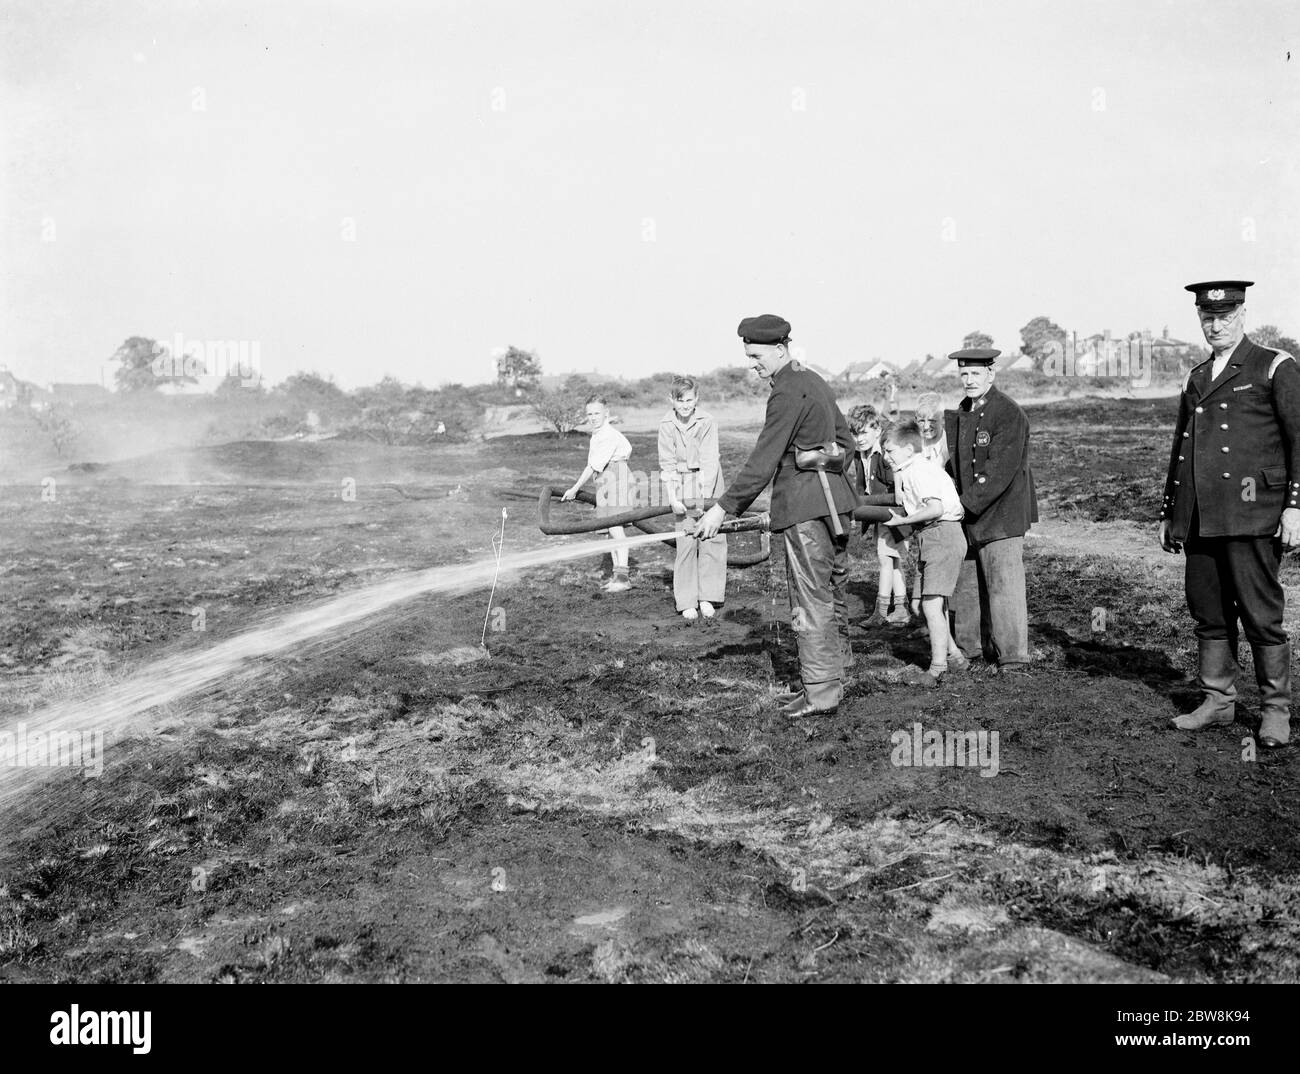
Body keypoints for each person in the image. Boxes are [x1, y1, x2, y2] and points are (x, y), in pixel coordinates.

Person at [1159, 280, 1300, 748]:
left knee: (1261, 615)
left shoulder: (1274, 365)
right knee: (1210, 614)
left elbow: (1299, 441)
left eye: (1224, 315)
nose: (1215, 324)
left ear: (1242, 315)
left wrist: (1294, 507)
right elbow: (1182, 449)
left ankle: (1275, 710)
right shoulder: (1196, 376)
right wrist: (1171, 514)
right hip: (1202, 518)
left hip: (1253, 514)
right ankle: (1218, 700)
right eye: (1207, 316)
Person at [696, 314, 858, 717]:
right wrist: (819, 463)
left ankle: (821, 692)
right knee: (833, 591)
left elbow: (763, 460)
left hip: (804, 512)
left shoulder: (786, 391)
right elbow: (847, 444)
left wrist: (722, 508)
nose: (752, 364)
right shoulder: (814, 380)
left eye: (756, 355)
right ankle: (837, 677)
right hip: (836, 506)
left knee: (810, 598)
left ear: (780, 349)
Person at [943, 348, 1037, 673]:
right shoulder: (963, 411)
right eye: (964, 374)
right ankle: (974, 653)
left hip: (1001, 515)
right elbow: (956, 465)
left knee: (1003, 587)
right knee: (969, 588)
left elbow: (998, 472)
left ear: (991, 374)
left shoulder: (1008, 413)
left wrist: (959, 505)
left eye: (975, 374)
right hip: (970, 515)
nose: (969, 380)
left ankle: (1013, 660)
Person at [881, 421, 968, 679]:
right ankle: (956, 657)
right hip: (930, 536)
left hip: (942, 533)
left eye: (890, 451)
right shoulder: (909, 471)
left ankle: (937, 669)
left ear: (908, 449)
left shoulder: (919, 471)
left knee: (931, 605)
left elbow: (935, 509)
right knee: (921, 605)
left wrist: (904, 521)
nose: (886, 458)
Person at [658, 376, 727, 620]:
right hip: (682, 482)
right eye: (680, 400)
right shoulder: (666, 424)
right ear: (672, 400)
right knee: (686, 539)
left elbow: (709, 459)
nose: (685, 405)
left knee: (711, 537)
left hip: (709, 480)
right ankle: (687, 599)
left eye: (689, 400)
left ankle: (707, 596)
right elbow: (667, 464)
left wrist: (706, 503)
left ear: (696, 399)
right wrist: (673, 497)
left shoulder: (707, 421)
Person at [562, 395, 635, 592]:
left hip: (616, 477)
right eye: (590, 414)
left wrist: (574, 489)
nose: (593, 417)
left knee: (616, 528)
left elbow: (593, 466)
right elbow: (594, 466)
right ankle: (616, 576)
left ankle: (623, 578)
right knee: (609, 529)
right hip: (605, 478)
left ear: (606, 413)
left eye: (597, 413)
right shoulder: (597, 434)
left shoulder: (608, 434)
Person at [847, 404, 910, 626]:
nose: (859, 438)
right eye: (854, 433)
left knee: (886, 559)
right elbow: (861, 484)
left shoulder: (886, 453)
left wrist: (862, 505)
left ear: (876, 429)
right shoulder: (860, 453)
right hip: (880, 514)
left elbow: (899, 493)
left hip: (894, 514)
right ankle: (901, 608)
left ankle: (881, 612)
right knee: (892, 561)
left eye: (863, 432)